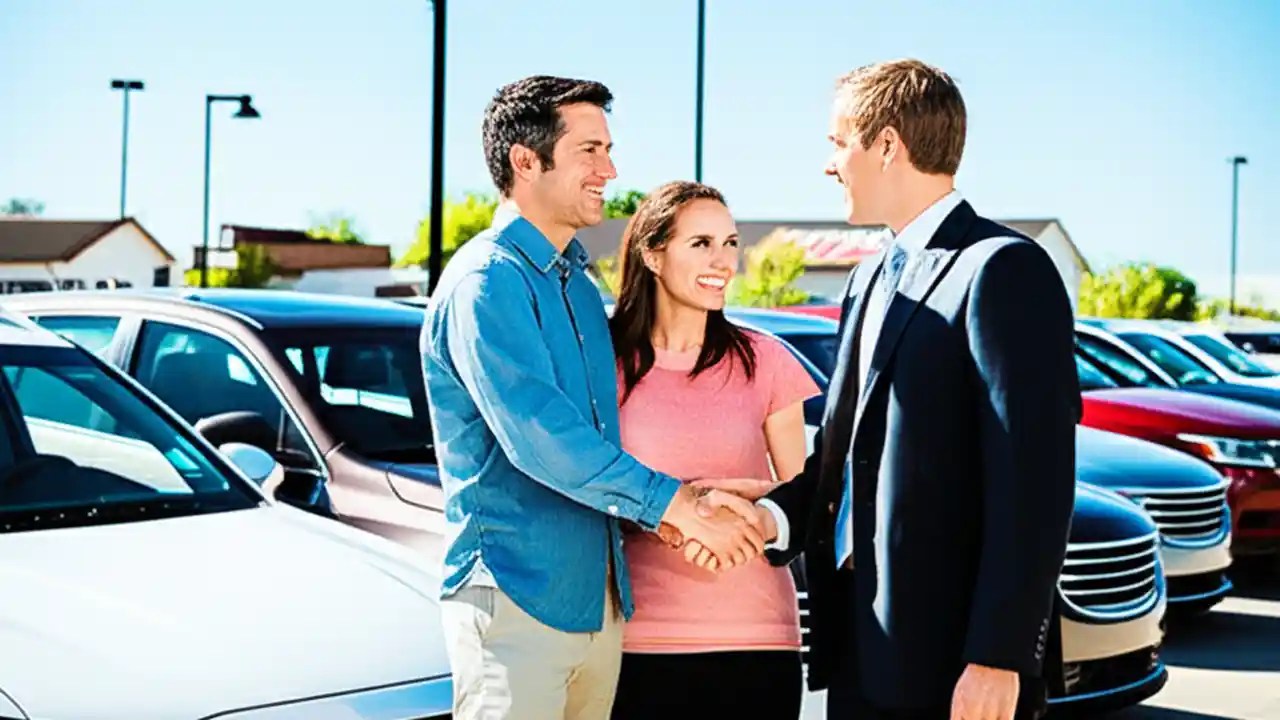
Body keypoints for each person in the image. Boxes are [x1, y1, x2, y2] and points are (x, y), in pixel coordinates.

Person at [419, 75, 769, 720]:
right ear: (526, 161)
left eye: (608, 149)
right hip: (516, 596)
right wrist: (680, 508)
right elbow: (545, 438)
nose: (609, 169)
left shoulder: (578, 285)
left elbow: (608, 438)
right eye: (589, 151)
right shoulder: (486, 282)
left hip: (599, 603)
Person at [754, 59, 1080, 720]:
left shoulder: (1005, 268)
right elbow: (840, 462)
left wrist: (999, 655)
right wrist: (769, 516)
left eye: (837, 143)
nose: (829, 165)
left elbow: (1034, 484)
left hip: (955, 666)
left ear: (886, 145)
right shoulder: (867, 278)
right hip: (859, 649)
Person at [603, 181, 821, 719]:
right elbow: (586, 484)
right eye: (701, 244)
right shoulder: (603, 364)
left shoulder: (766, 360)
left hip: (757, 638)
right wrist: (678, 512)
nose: (722, 261)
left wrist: (737, 506)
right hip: (638, 641)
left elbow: (809, 497)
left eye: (730, 243)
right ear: (652, 254)